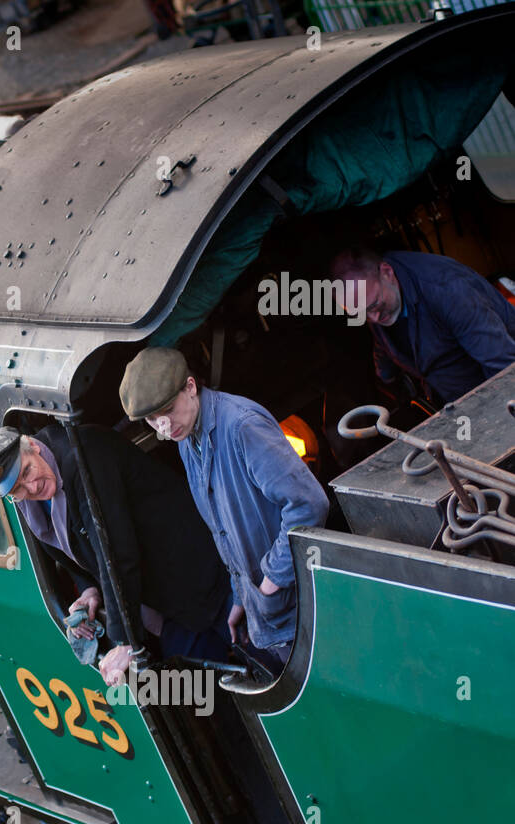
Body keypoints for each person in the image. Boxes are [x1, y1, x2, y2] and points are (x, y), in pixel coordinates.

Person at [0, 422, 234, 686]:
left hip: (200, 577)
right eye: (17, 490)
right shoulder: (30, 499)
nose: (32, 488)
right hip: (160, 602)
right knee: (200, 694)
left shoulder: (82, 460)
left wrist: (124, 641)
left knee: (257, 663)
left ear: (33, 446)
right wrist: (89, 589)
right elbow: (70, 547)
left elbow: (116, 551)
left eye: (27, 472)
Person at [120, 347, 329, 683]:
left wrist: (269, 582)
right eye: (152, 420)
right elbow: (223, 528)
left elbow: (308, 505)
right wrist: (242, 595)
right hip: (265, 614)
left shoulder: (242, 426)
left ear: (190, 386)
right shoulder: (186, 438)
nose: (164, 425)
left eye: (168, 411)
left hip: (300, 612)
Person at [330, 246, 515, 405]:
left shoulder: (447, 289)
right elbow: (382, 341)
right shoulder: (374, 299)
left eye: (374, 305)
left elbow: (504, 367)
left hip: (495, 394)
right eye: (361, 315)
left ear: (387, 273)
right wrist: (385, 373)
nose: (374, 317)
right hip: (454, 404)